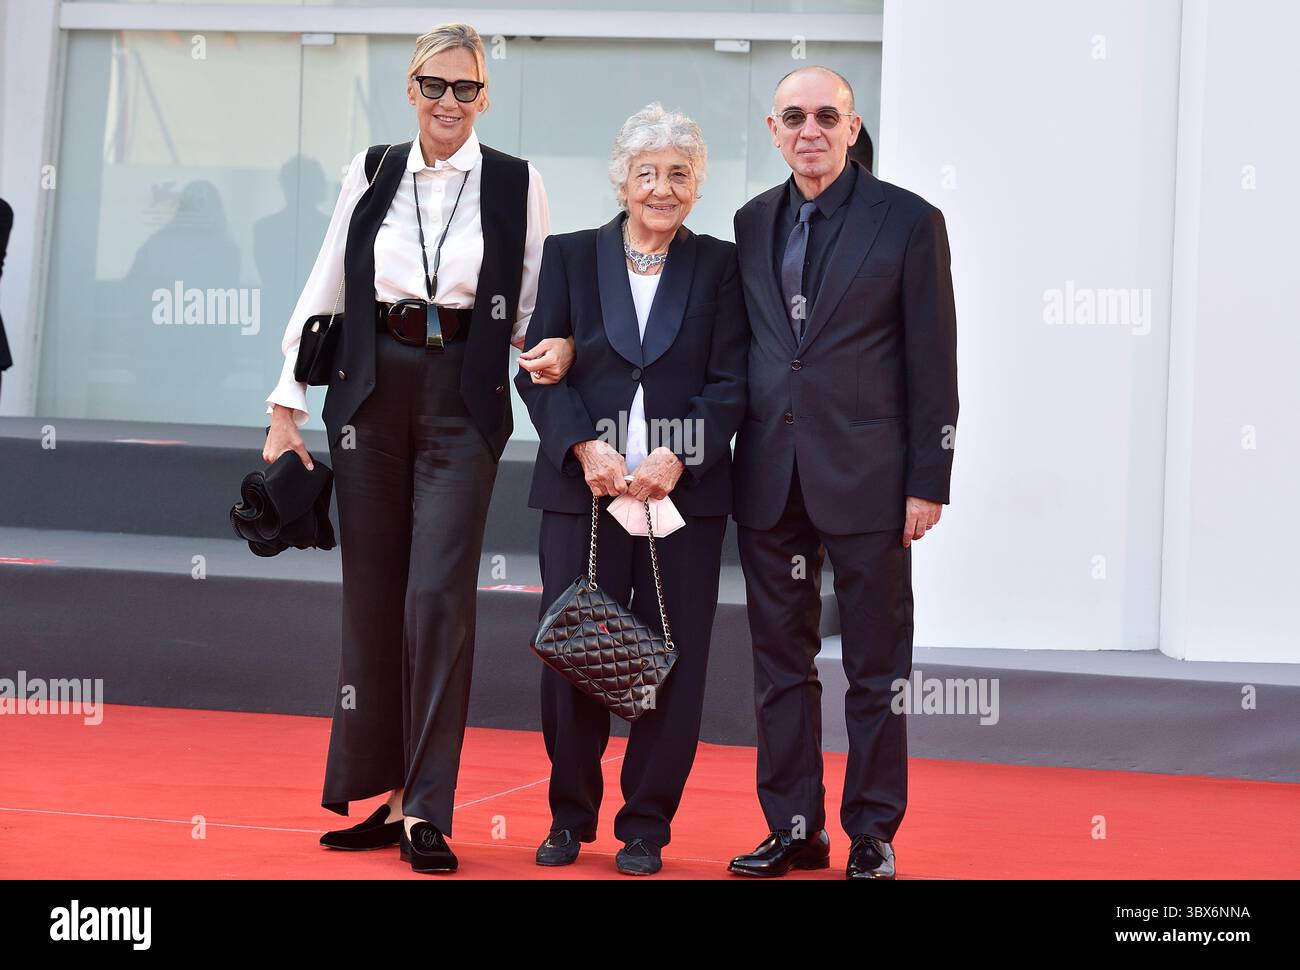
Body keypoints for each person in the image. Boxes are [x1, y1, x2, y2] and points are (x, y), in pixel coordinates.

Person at [261, 22, 573, 874]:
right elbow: (328, 277)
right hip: (366, 391)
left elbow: (538, 289)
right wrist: (287, 401)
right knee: (372, 596)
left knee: (438, 595)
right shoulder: (370, 170)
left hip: (462, 399)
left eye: (465, 89)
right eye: (434, 86)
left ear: (484, 97)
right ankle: (386, 793)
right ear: (410, 88)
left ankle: (428, 807)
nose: (448, 103)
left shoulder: (516, 183)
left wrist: (560, 345)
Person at [727, 66, 958, 880]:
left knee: (876, 667)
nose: (810, 129)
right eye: (794, 116)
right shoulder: (750, 222)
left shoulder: (908, 221)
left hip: (871, 479)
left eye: (827, 115)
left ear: (853, 128)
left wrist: (929, 479)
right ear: (773, 129)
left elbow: (934, 359)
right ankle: (794, 828)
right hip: (769, 475)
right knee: (779, 667)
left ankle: (871, 832)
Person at [515, 103, 748, 875]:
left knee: (673, 663)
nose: (661, 187)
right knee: (578, 653)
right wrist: (584, 447)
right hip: (586, 491)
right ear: (622, 180)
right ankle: (568, 815)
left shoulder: (720, 265)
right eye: (647, 172)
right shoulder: (571, 256)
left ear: (697, 185)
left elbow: (731, 383)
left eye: (678, 173)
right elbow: (541, 372)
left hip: (681, 496)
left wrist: (678, 457)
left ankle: (645, 824)